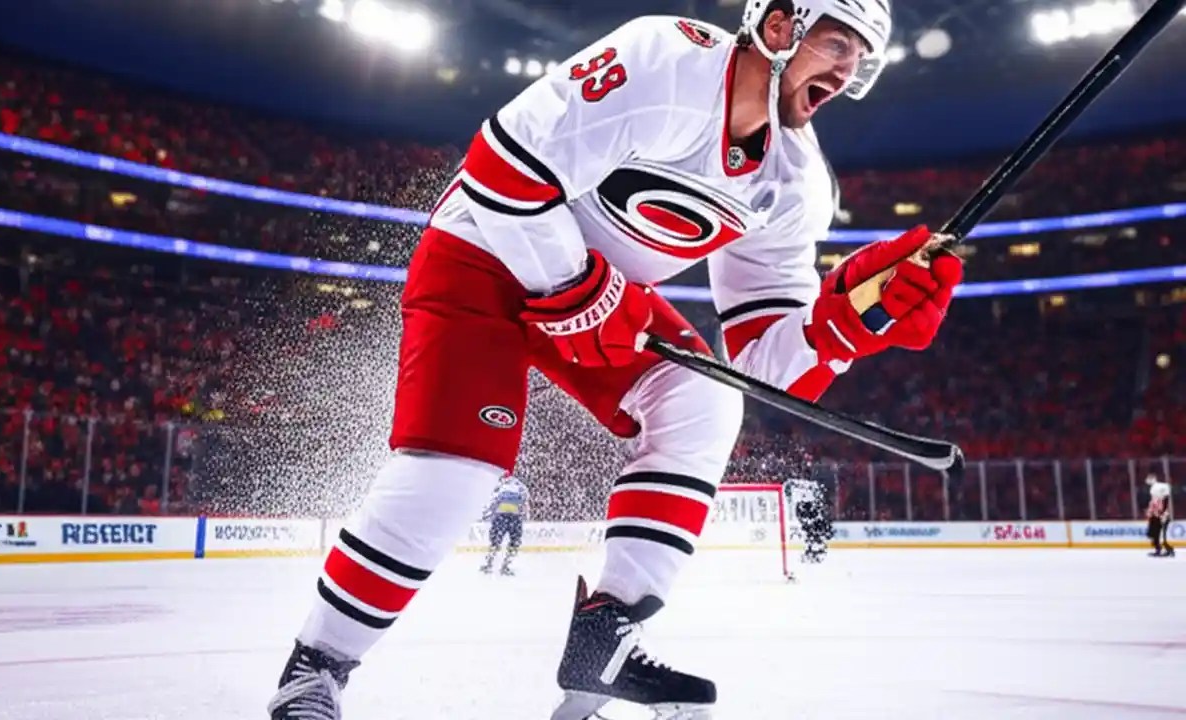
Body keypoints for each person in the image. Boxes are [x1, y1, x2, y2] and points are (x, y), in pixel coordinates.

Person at [269, 1, 962, 718]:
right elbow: (500, 171)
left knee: (705, 398)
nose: (848, 70)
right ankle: (315, 669)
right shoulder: (665, 59)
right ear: (780, 25)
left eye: (861, 55)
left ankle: (606, 637)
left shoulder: (795, 182)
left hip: (599, 294)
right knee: (455, 472)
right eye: (838, 40)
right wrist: (576, 286)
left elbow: (766, 365)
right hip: (483, 253)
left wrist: (850, 319)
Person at [480, 473, 529, 575]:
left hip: (501, 517)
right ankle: (505, 565)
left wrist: (487, 514)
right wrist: (524, 515)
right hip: (514, 518)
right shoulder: (521, 486)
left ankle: (490, 564)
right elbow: (524, 504)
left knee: (495, 542)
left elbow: (492, 501)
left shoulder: (500, 484)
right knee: (513, 543)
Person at [1146, 474, 1174, 557]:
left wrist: (1161, 514)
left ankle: (1167, 550)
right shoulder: (1157, 499)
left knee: (1160, 535)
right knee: (1154, 534)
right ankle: (1160, 549)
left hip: (1161, 516)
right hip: (1157, 516)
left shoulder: (1161, 500)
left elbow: (1161, 506)